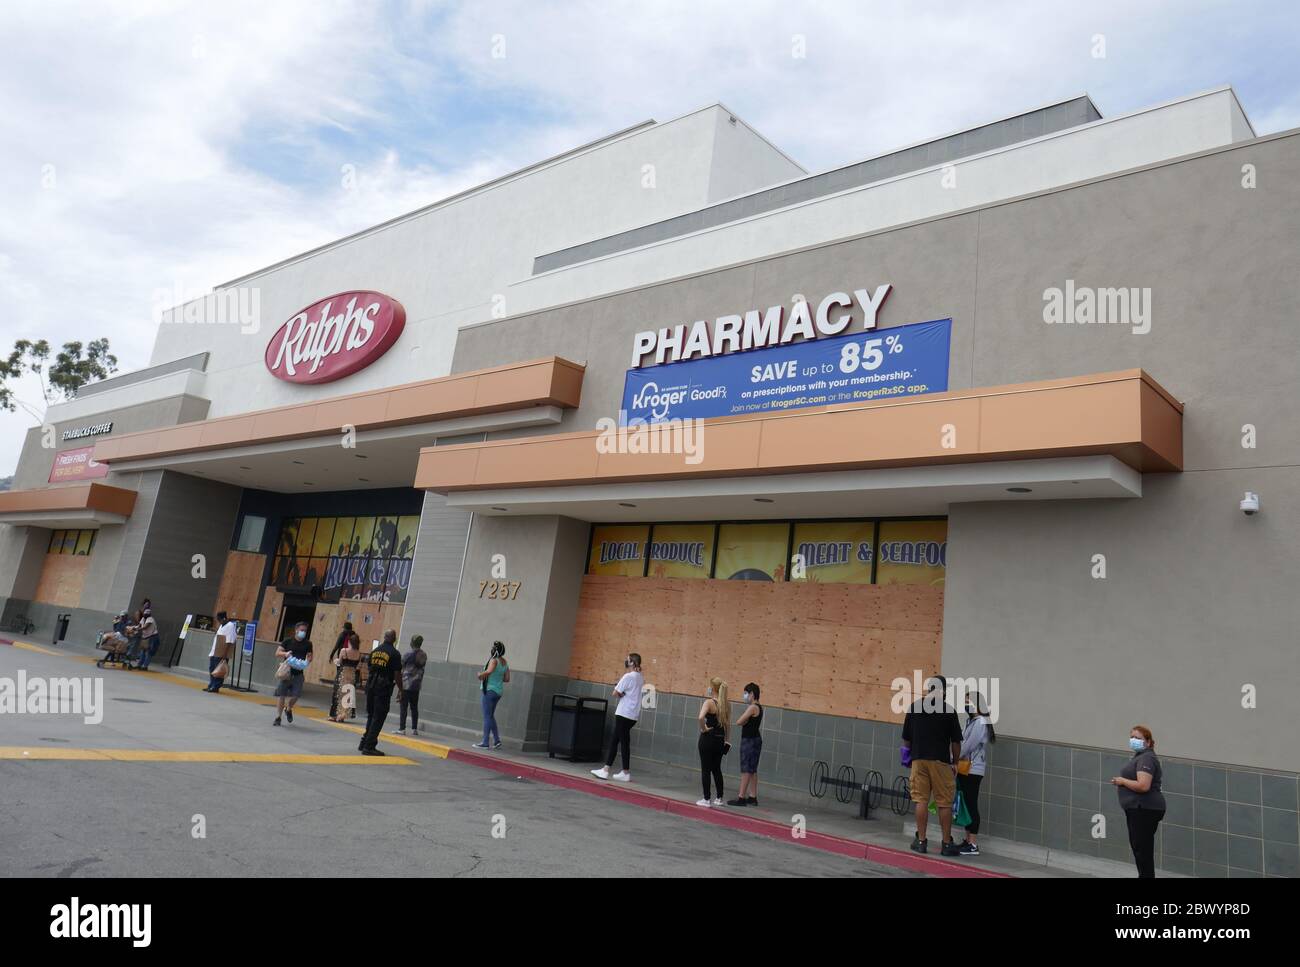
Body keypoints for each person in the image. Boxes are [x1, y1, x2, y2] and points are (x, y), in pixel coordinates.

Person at [901, 675, 963, 856]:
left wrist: (908, 757)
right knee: (944, 803)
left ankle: (921, 841)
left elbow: (906, 739)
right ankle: (946, 844)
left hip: (918, 760)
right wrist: (955, 762)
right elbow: (956, 742)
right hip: (940, 761)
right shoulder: (948, 710)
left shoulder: (914, 708)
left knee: (921, 800)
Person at [1111, 725, 1166, 878]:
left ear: (1148, 742)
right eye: (1132, 737)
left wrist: (1122, 781)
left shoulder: (1146, 757)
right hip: (1138, 809)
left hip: (1144, 809)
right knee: (1140, 849)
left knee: (1142, 850)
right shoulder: (1139, 757)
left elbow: (1143, 786)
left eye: (1138, 738)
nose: (1134, 740)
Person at [591, 653, 644, 782]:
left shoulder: (627, 676)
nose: (626, 661)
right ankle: (623, 772)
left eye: (628, 659)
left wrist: (621, 690)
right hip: (633, 714)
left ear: (632, 662)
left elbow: (615, 693)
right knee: (622, 741)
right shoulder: (640, 677)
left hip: (623, 713)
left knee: (617, 741)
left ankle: (606, 770)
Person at [954, 691, 995, 855]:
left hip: (973, 770)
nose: (965, 705)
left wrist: (952, 756)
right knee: (965, 804)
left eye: (967, 701)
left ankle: (973, 844)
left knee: (971, 804)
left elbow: (967, 746)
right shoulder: (971, 721)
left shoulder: (980, 722)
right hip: (966, 768)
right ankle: (967, 840)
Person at [359, 629, 403, 755]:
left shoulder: (375, 651)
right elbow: (397, 674)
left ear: (384, 637)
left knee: (371, 715)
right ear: (394, 639)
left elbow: (369, 667)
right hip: (383, 688)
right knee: (378, 717)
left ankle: (364, 742)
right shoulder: (394, 654)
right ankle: (369, 746)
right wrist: (401, 689)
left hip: (371, 686)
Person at [727, 683, 763, 806]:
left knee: (746, 769)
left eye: (746, 693)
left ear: (752, 694)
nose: (745, 696)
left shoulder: (752, 707)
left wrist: (745, 719)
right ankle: (753, 796)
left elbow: (739, 721)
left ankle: (741, 797)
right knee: (752, 769)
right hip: (756, 739)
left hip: (750, 740)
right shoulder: (759, 707)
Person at [696, 677, 729, 807]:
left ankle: (706, 798)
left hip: (708, 738)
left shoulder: (709, 703)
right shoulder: (726, 704)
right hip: (720, 740)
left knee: (706, 769)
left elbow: (700, 717)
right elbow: (728, 725)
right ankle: (719, 798)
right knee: (716, 769)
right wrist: (727, 740)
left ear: (713, 688)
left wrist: (704, 729)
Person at [273, 621, 313, 726]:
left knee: (296, 695)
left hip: (298, 673)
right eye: (302, 630)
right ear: (296, 630)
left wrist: (309, 659)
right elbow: (277, 653)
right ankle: (278, 717)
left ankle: (289, 707)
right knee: (282, 694)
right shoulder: (288, 641)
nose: (303, 632)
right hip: (287, 672)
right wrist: (285, 653)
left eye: (305, 631)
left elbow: (310, 657)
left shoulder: (308, 644)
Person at [472, 641, 509, 749]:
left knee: (487, 717)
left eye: (493, 648)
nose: (492, 649)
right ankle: (497, 741)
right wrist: (497, 678)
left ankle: (485, 742)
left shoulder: (494, 660)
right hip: (498, 692)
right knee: (491, 716)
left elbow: (489, 671)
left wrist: (480, 675)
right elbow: (507, 679)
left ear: (496, 650)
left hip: (489, 691)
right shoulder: (504, 662)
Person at [395, 634, 427, 736]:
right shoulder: (424, 655)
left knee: (403, 706)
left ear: (412, 642)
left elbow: (401, 666)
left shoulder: (407, 654)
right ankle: (414, 729)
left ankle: (402, 728)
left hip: (406, 684)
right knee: (414, 707)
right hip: (417, 685)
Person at [330, 631, 363, 722]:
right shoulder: (359, 654)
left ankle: (334, 715)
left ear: (349, 642)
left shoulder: (344, 651)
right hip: (352, 676)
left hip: (343, 674)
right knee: (347, 696)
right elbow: (358, 667)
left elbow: (339, 662)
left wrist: (335, 661)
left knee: (338, 694)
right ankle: (342, 715)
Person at [327, 622, 356, 718]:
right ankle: (346, 714)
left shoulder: (343, 635)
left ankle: (335, 714)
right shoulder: (354, 636)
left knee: (339, 688)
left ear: (344, 628)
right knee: (348, 690)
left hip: (343, 663)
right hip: (352, 670)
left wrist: (331, 656)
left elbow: (336, 646)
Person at [205, 611, 238, 693]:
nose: (218, 621)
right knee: (212, 669)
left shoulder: (230, 626)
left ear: (224, 618)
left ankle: (216, 687)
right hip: (215, 651)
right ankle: (211, 685)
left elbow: (230, 641)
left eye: (219, 619)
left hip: (222, 652)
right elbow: (221, 635)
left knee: (219, 670)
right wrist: (216, 631)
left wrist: (224, 654)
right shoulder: (222, 625)